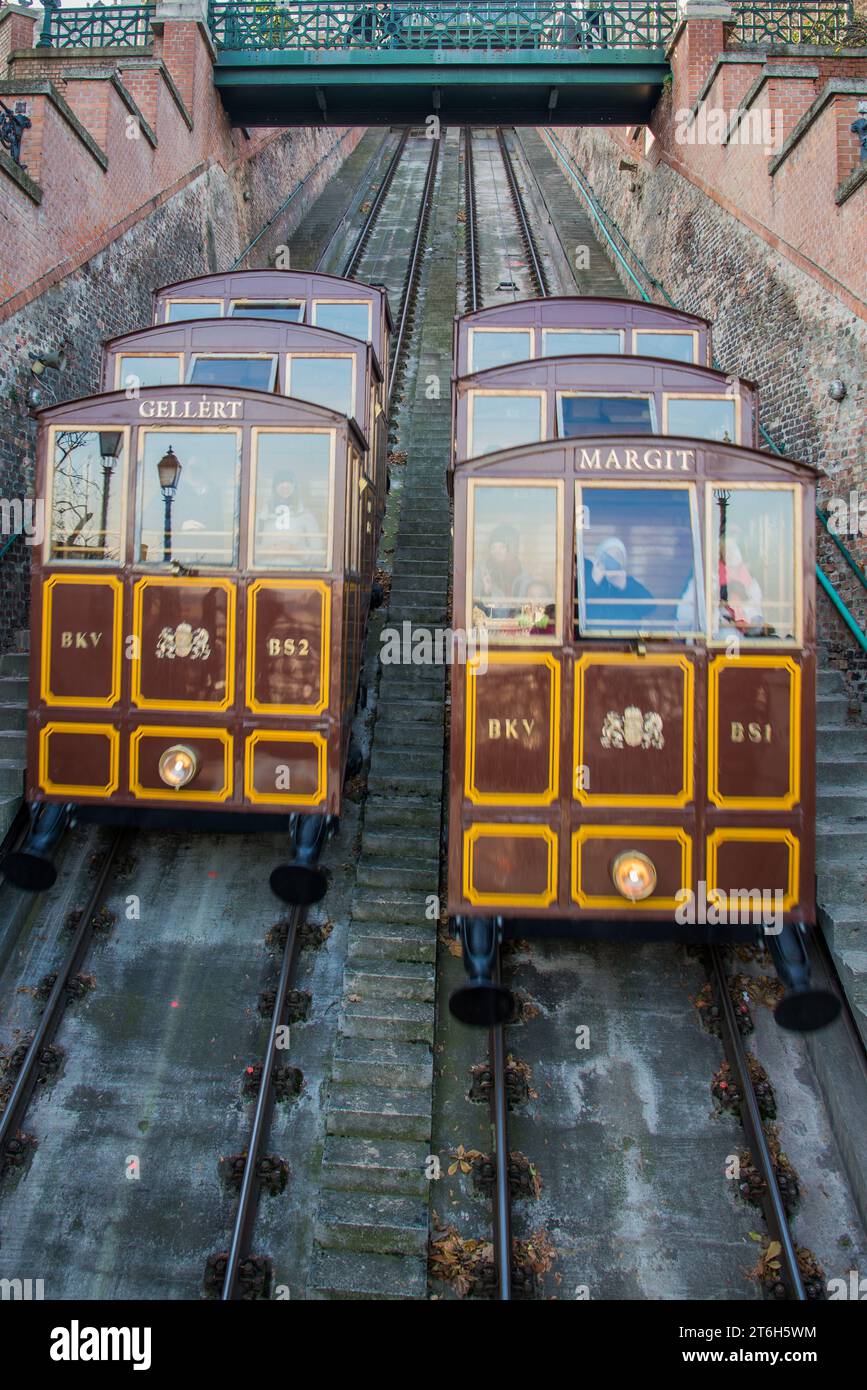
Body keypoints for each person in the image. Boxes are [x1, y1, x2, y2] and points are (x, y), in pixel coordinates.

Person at [583, 536, 654, 628]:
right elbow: (574, 608)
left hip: (624, 640)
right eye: (608, 556)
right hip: (593, 640)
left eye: (617, 556)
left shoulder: (630, 584)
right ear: (599, 559)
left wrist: (625, 586)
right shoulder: (588, 580)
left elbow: (650, 607)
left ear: (623, 562)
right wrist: (594, 580)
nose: (612, 560)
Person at [258, 470, 323, 566]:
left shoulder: (306, 517)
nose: (285, 490)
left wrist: (295, 551)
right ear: (274, 489)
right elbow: (247, 551)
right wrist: (268, 551)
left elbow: (319, 556)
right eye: (281, 486)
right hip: (262, 575)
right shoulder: (261, 516)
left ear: (295, 489)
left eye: (288, 487)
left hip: (299, 575)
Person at [473, 523, 525, 623]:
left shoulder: (523, 575)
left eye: (503, 547)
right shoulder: (480, 574)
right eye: (496, 547)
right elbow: (474, 609)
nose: (500, 551)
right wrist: (486, 591)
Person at [718, 530, 763, 631]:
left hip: (748, 616)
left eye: (734, 549)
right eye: (727, 550)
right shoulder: (716, 572)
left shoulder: (747, 573)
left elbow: (756, 598)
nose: (730, 554)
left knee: (756, 623)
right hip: (726, 621)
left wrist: (745, 608)